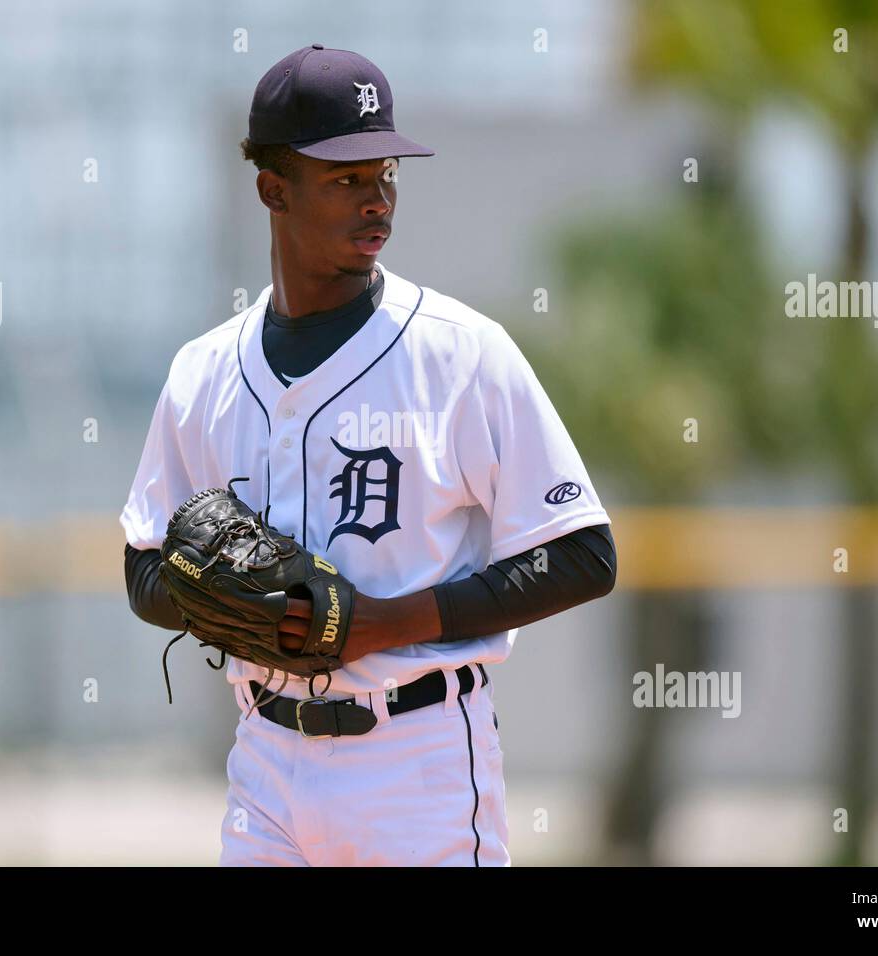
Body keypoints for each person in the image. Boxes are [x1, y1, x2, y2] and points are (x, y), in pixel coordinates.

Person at [121, 44, 616, 866]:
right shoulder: (201, 373)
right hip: (265, 765)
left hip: (417, 762)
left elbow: (583, 555)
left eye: (385, 173)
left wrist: (381, 623)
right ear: (273, 189)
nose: (376, 198)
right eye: (345, 178)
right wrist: (241, 610)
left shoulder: (463, 356)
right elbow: (143, 569)